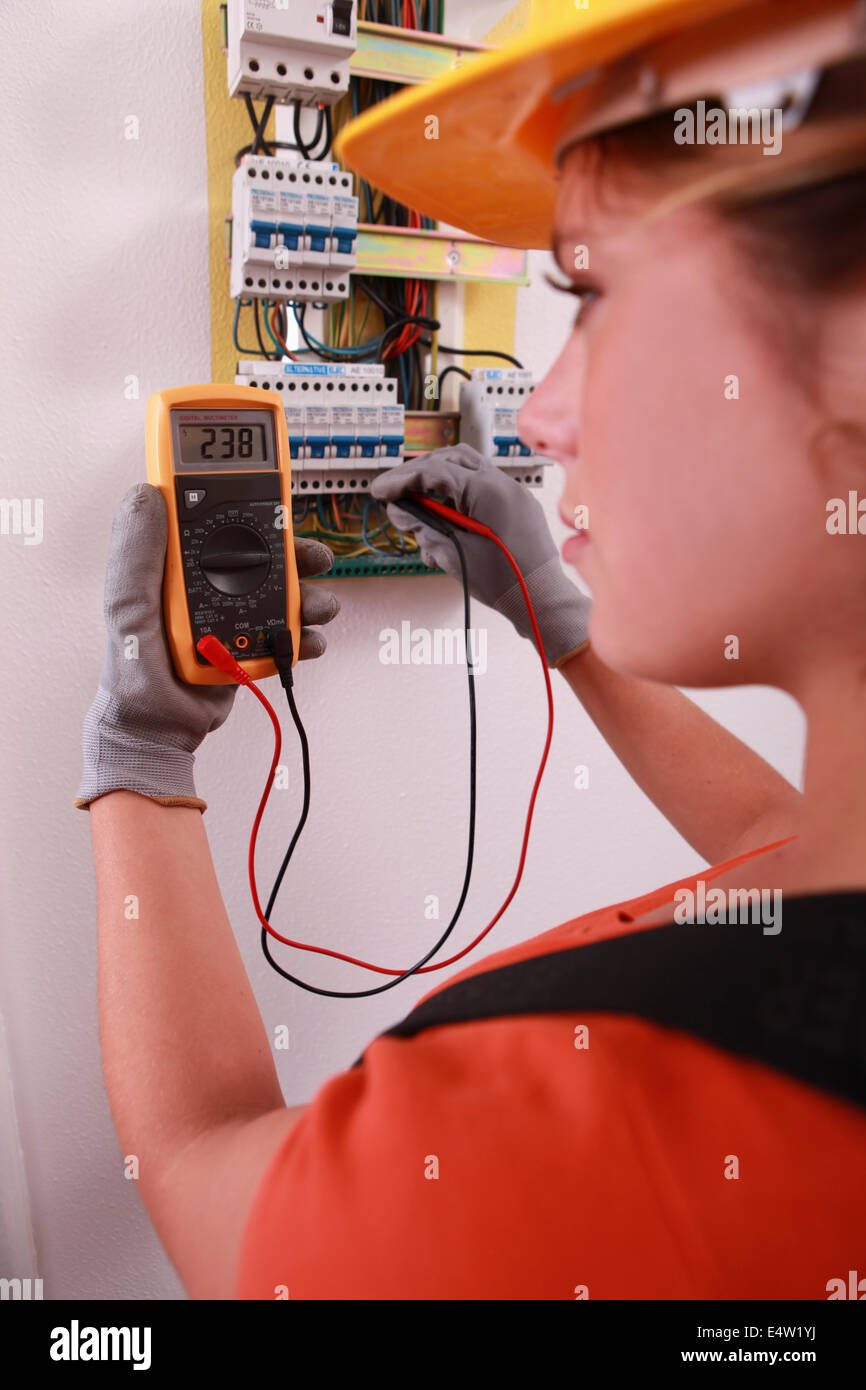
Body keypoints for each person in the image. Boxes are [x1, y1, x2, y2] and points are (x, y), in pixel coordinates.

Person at [76, 0, 866, 1298]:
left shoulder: (561, 1144)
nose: (541, 414)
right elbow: (774, 849)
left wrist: (138, 752)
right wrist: (567, 633)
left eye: (588, 289)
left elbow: (200, 1167)